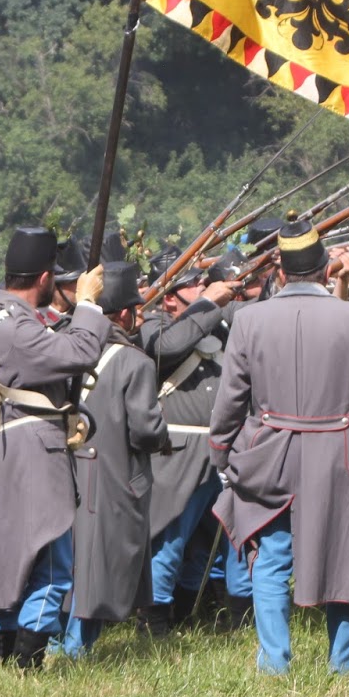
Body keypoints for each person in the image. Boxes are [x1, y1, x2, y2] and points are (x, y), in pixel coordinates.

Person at [208, 222, 349, 674]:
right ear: (323, 269)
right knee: (347, 561)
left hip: (269, 455)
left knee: (272, 560)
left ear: (280, 271)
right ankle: (343, 666)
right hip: (341, 458)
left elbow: (230, 401)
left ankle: (274, 663)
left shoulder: (248, 319)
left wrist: (221, 454)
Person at [0, 228, 108, 670]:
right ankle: (26, 664)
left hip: (18, 446)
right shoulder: (17, 327)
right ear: (44, 278)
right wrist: (89, 303)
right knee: (54, 563)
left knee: (13, 554)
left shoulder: (7, 319)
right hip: (34, 451)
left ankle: (6, 659)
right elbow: (81, 350)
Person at [58, 262, 170, 656]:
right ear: (124, 313)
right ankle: (76, 647)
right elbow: (145, 429)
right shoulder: (134, 362)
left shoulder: (61, 344)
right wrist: (163, 436)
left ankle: (54, 639)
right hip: (113, 478)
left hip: (62, 469)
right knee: (99, 566)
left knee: (66, 561)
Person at [139, 245, 241, 634]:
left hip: (216, 449)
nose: (203, 285)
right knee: (168, 541)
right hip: (176, 451)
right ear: (169, 297)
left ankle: (189, 612)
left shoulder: (216, 322)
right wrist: (209, 304)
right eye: (194, 283)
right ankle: (154, 620)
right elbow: (167, 348)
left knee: (207, 543)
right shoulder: (152, 324)